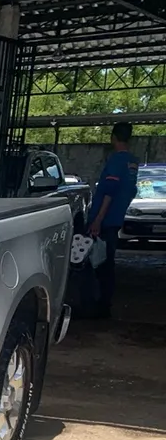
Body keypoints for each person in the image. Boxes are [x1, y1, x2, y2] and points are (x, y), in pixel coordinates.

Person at [86, 122, 139, 318]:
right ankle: (103, 302)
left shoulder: (116, 161)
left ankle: (100, 305)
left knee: (99, 262)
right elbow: (131, 190)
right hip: (116, 217)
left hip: (105, 220)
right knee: (106, 261)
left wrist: (98, 219)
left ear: (113, 137)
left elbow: (109, 191)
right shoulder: (132, 163)